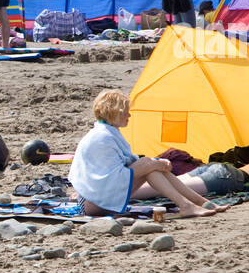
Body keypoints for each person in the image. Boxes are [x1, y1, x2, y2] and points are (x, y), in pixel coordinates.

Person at [69, 89, 223, 218]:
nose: (129, 116)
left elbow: (125, 167)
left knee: (151, 167)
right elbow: (110, 176)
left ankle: (198, 203)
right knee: (150, 166)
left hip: (99, 197)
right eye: (126, 113)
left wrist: (155, 164)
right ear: (115, 112)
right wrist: (157, 163)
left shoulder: (107, 132)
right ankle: (188, 205)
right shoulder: (102, 136)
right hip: (90, 202)